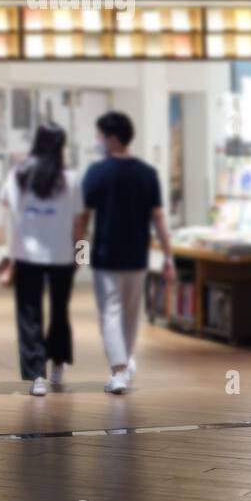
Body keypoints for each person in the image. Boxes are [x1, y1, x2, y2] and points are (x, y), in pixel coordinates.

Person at [81, 111, 176, 395]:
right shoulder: (147, 174)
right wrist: (168, 256)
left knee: (110, 312)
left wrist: (78, 251)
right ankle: (123, 361)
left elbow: (82, 218)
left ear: (111, 139)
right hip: (137, 255)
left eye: (100, 135)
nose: (97, 141)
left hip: (106, 256)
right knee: (132, 314)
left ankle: (119, 370)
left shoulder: (97, 173)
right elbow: (158, 218)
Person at [0, 123, 85, 396]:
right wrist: (80, 253)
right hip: (62, 254)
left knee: (29, 314)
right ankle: (58, 364)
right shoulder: (70, 179)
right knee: (60, 310)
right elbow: (79, 222)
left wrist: (9, 252)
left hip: (27, 255)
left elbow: (8, 210)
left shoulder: (20, 174)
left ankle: (37, 375)